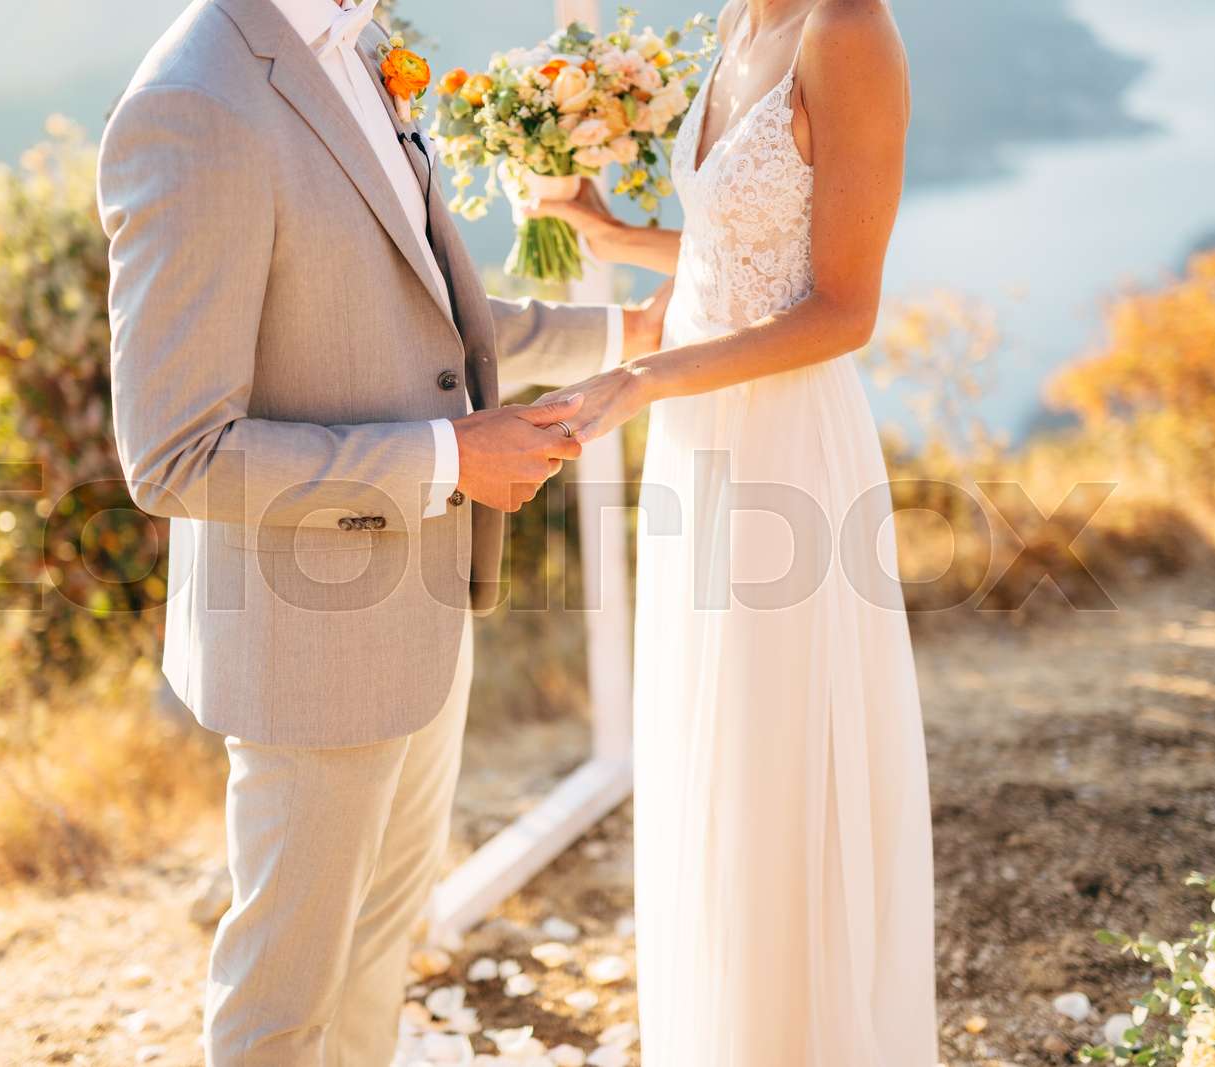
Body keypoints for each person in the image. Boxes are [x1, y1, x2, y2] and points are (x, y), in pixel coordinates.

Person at [96, 0, 665, 1062]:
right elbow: (175, 453)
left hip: (421, 613)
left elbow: (421, 311)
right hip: (306, 652)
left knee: (375, 954)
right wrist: (452, 461)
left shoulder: (354, 48)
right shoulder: (194, 104)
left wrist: (623, 333)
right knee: (282, 1006)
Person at [525, 0, 937, 1061]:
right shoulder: (733, 22)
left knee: (778, 747)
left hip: (785, 445)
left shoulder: (846, 34)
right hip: (698, 440)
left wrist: (642, 375)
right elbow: (733, 246)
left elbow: (842, 307)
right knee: (710, 745)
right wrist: (610, 233)